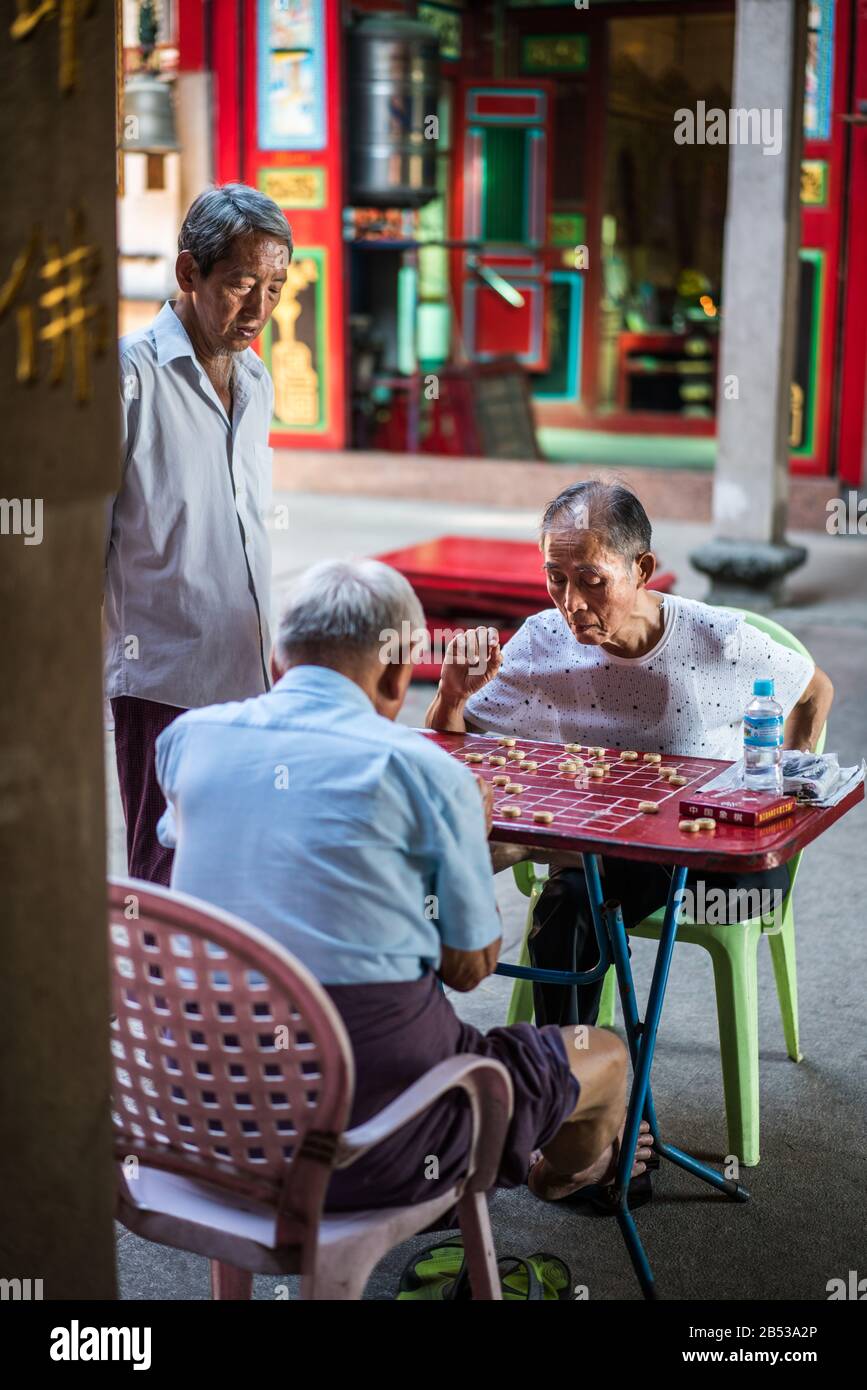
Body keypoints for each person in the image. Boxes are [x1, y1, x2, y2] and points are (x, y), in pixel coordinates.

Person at [153, 559, 652, 1210]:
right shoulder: (425, 773)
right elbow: (468, 968)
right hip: (373, 1142)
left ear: (278, 658)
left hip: (204, 1124)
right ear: (396, 673)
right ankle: (556, 1174)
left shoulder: (189, 739)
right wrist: (461, 844)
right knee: (604, 1053)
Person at [426, 479, 834, 1027]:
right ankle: (569, 1079)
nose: (571, 602)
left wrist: (780, 786)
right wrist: (452, 694)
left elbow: (814, 691)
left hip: (709, 854)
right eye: (555, 577)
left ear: (642, 568)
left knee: (562, 873)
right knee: (560, 906)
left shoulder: (716, 639)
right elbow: (454, 755)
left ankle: (549, 858)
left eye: (592, 580)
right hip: (604, 846)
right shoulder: (543, 641)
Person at [104, 183, 292, 884]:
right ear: (189, 274)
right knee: (165, 874)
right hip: (162, 677)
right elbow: (87, 545)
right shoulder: (127, 376)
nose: (260, 309)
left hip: (245, 673)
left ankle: (211, 1000)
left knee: (232, 870)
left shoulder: (256, 380)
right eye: (242, 284)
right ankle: (151, 996)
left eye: (274, 287)